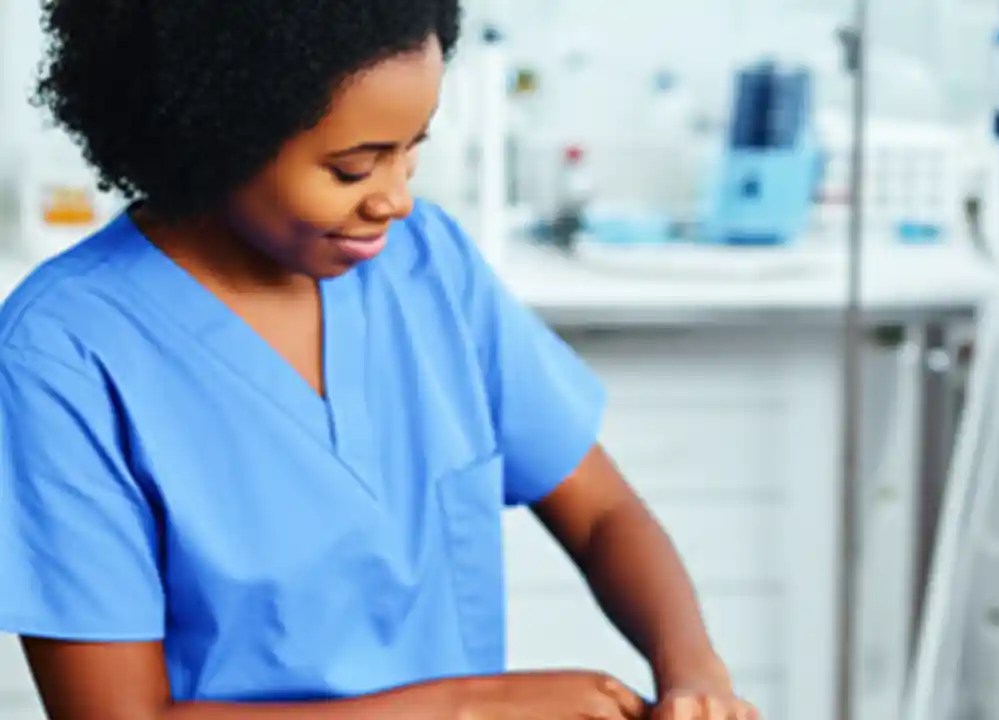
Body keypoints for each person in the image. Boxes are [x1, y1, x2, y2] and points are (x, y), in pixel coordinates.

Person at [0, 2, 758, 719]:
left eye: (413, 150)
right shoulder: (64, 353)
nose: (394, 199)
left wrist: (693, 669)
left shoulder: (430, 267)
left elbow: (602, 512)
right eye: (355, 168)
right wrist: (465, 706)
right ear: (217, 134)